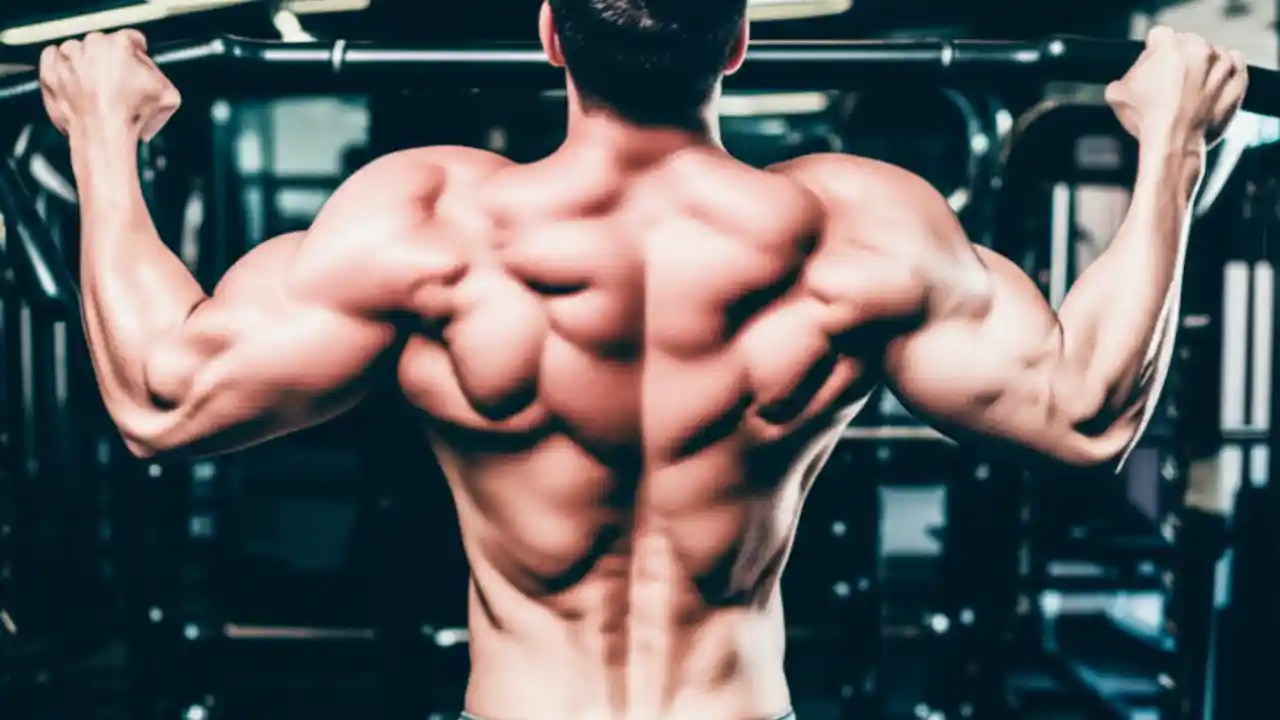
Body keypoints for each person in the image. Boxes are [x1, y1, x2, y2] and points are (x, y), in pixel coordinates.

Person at [35, 1, 1246, 717]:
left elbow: (161, 396)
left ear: (550, 36)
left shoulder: (431, 230)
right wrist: (1168, 156)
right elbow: (1084, 413)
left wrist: (101, 134)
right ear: (737, 44)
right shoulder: (855, 234)